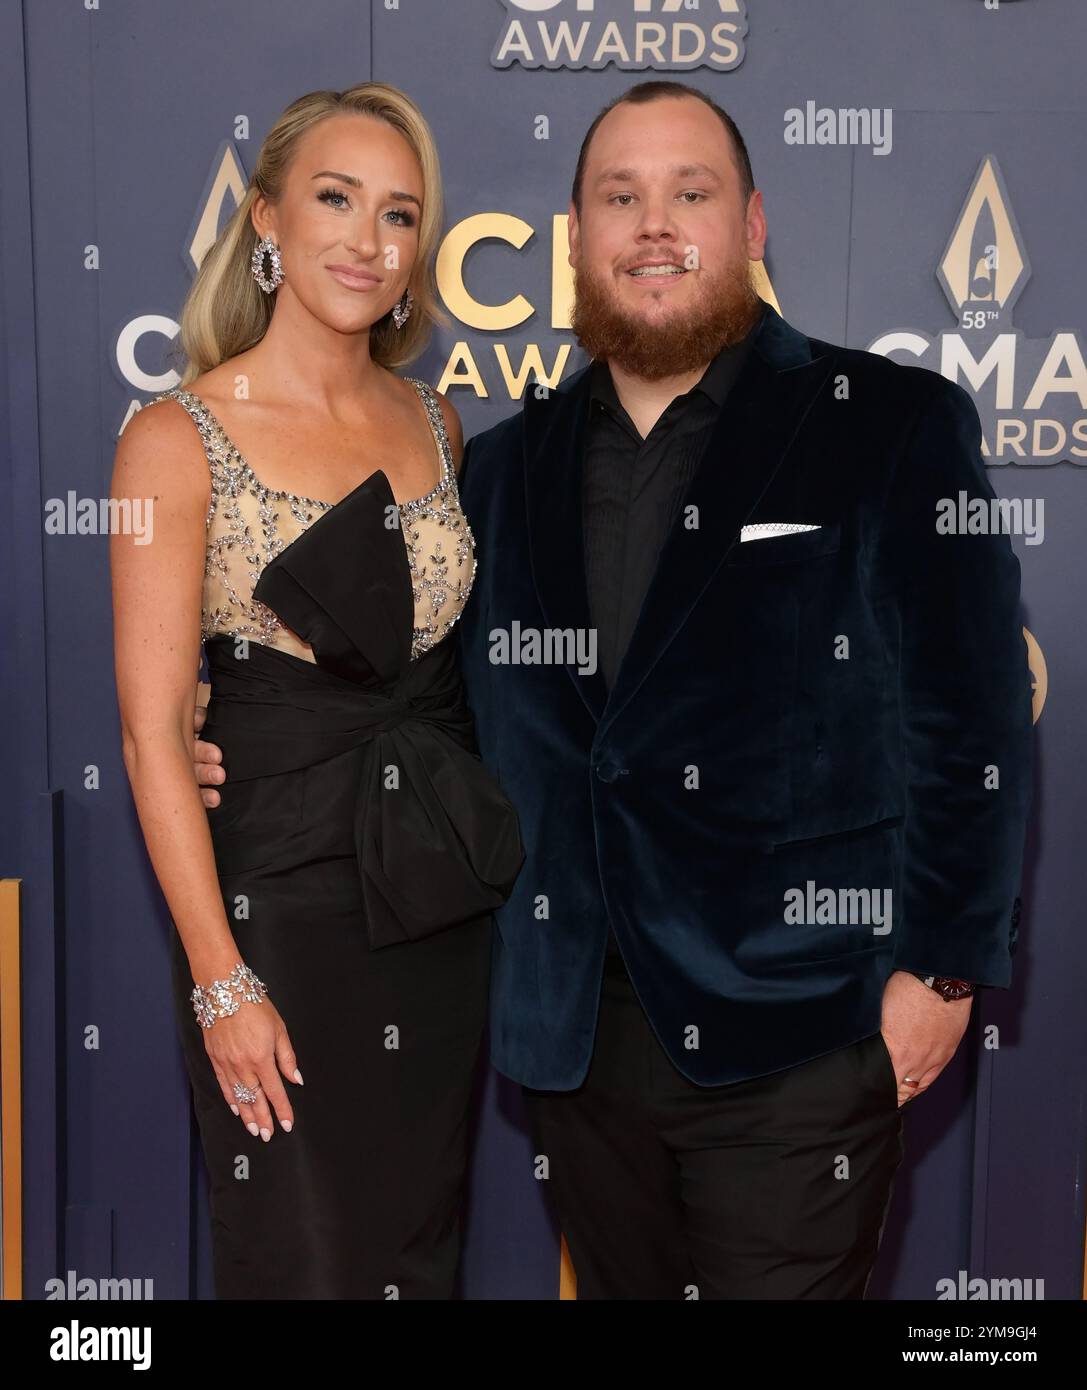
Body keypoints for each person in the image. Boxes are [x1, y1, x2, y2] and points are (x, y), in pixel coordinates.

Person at [193, 80, 1034, 1300]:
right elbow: (426, 706)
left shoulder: (885, 423)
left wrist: (947, 968)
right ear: (575, 238)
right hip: (573, 1044)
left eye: (689, 194)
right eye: (619, 197)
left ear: (750, 224)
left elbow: (971, 720)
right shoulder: (497, 470)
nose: (653, 225)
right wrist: (233, 728)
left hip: (801, 1033)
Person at [110, 82, 522, 1300]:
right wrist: (221, 982)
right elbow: (148, 733)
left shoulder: (438, 423)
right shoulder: (172, 437)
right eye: (335, 199)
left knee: (414, 1256)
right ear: (266, 221)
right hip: (277, 917)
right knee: (304, 1260)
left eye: (398, 215)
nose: (365, 238)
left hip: (434, 913)